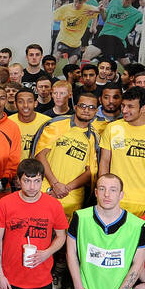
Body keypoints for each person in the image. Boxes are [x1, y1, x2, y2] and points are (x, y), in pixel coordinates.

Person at [65, 174, 145, 289]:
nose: (107, 195)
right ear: (95, 192)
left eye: (113, 190)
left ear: (121, 195)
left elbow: (138, 265)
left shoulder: (136, 225)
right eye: (102, 189)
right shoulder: (80, 217)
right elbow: (71, 254)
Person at [0, 159, 67, 289]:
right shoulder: (5, 203)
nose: (32, 186)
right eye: (27, 180)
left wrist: (46, 253)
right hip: (10, 278)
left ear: (43, 181)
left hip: (40, 279)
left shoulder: (54, 205)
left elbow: (61, 236)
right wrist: (0, 275)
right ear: (19, 181)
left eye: (37, 181)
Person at [98, 85, 145, 218]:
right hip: (113, 198)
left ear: (144, 108)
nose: (124, 110)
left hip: (144, 202)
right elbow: (104, 162)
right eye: (123, 105)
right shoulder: (112, 128)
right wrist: (102, 192)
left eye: (130, 106)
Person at [34, 90, 100, 219]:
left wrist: (65, 188)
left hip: (72, 199)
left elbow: (90, 172)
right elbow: (39, 156)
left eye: (91, 107)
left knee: (67, 237)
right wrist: (55, 184)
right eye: (83, 106)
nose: (86, 110)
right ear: (75, 107)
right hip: (46, 191)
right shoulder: (56, 124)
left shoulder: (94, 137)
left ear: (96, 111)